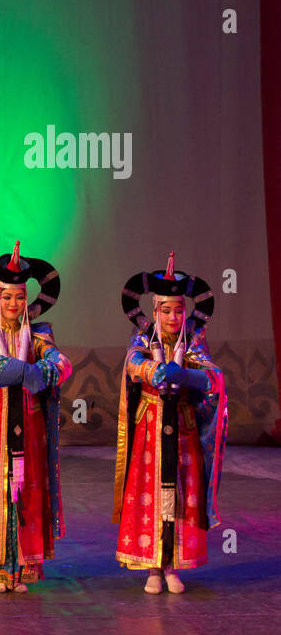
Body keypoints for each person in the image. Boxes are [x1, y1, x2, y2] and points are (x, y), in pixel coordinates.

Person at [0, 242, 72, 593]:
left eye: (20, 298)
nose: (13, 305)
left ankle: (22, 566)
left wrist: (43, 372)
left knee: (26, 490)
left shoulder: (38, 334)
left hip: (29, 422)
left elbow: (61, 364)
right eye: (7, 297)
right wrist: (8, 367)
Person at [114, 253, 227, 594]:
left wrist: (187, 376)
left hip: (183, 426)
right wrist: (153, 369)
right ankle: (151, 567)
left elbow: (213, 377)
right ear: (155, 312)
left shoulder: (193, 341)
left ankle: (174, 566)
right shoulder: (143, 338)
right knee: (149, 493)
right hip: (150, 426)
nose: (174, 317)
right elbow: (133, 364)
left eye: (179, 310)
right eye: (166, 310)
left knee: (182, 493)